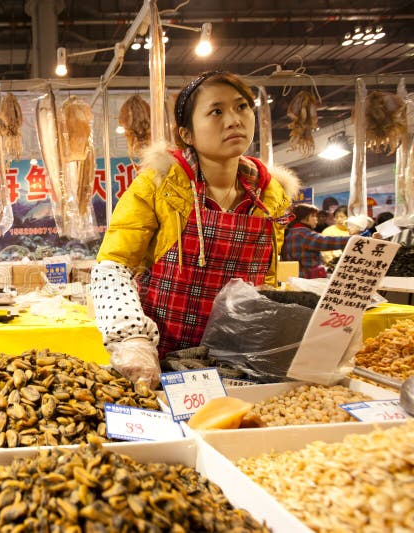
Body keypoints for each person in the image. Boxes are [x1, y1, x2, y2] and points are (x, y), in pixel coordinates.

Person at [91, 70, 300, 388]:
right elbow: (112, 267)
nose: (233, 120)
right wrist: (131, 338)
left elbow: (263, 283)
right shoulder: (158, 183)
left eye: (242, 107)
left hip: (238, 363)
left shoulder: (272, 195)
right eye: (216, 111)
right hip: (162, 357)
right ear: (186, 133)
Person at [281, 203, 356, 278]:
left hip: (294, 278)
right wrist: (355, 239)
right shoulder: (303, 234)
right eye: (313, 216)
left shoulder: (290, 232)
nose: (316, 218)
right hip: (308, 279)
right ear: (303, 218)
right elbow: (327, 242)